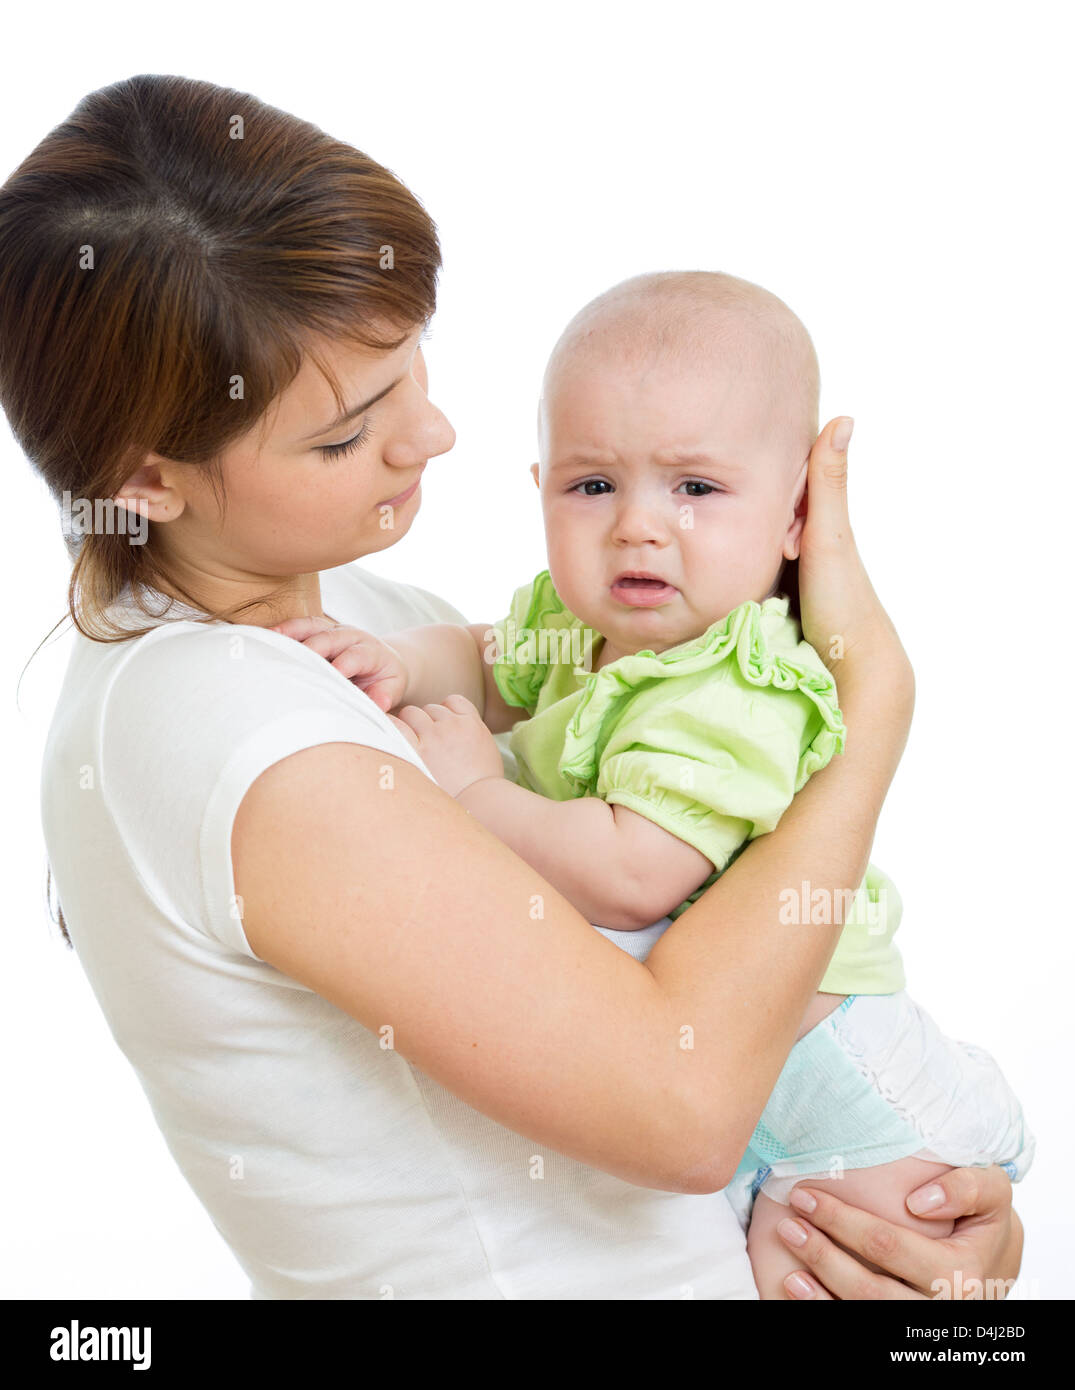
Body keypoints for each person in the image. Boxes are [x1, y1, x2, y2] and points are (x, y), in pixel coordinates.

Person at [2, 73, 1022, 1299]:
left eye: (410, 367)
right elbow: (686, 1103)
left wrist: (912, 1222)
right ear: (146, 480)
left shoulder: (370, 620)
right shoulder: (229, 730)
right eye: (345, 432)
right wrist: (869, 713)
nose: (431, 436)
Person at [274, 270, 1033, 1298]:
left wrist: (476, 795)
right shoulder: (575, 621)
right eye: (591, 485)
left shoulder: (741, 682)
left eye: (695, 489)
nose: (637, 525)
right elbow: (486, 660)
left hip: (842, 1097)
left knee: (863, 1278)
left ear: (797, 517)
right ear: (538, 484)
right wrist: (400, 662)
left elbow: (635, 875)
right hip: (738, 1082)